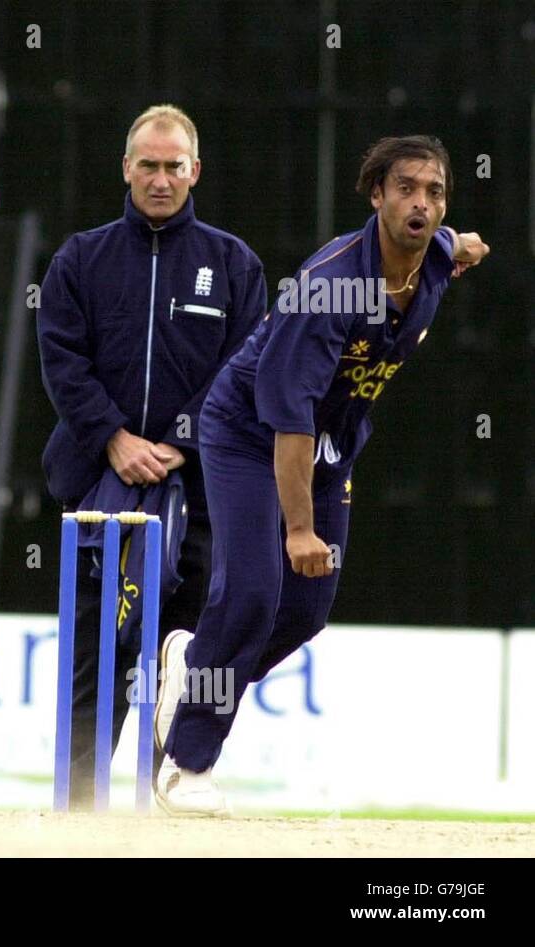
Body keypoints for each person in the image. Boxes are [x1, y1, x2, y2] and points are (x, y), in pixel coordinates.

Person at [155, 136, 490, 816]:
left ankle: (197, 672)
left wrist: (465, 247)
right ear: (377, 195)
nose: (420, 203)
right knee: (251, 591)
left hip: (330, 443)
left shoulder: (434, 255)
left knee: (306, 611)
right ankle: (188, 763)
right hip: (253, 433)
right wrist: (299, 529)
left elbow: (455, 243)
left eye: (434, 192)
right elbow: (289, 422)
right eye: (406, 189)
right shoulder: (329, 288)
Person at [36, 105, 267, 808]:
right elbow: (61, 358)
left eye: (174, 166)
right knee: (94, 651)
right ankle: (80, 806)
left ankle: (177, 791)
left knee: (185, 653)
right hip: (97, 484)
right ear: (126, 168)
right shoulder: (81, 257)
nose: (161, 178)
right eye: (148, 164)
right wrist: (113, 438)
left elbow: (248, 362)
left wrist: (180, 440)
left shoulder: (233, 264)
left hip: (200, 490)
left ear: (195, 170)